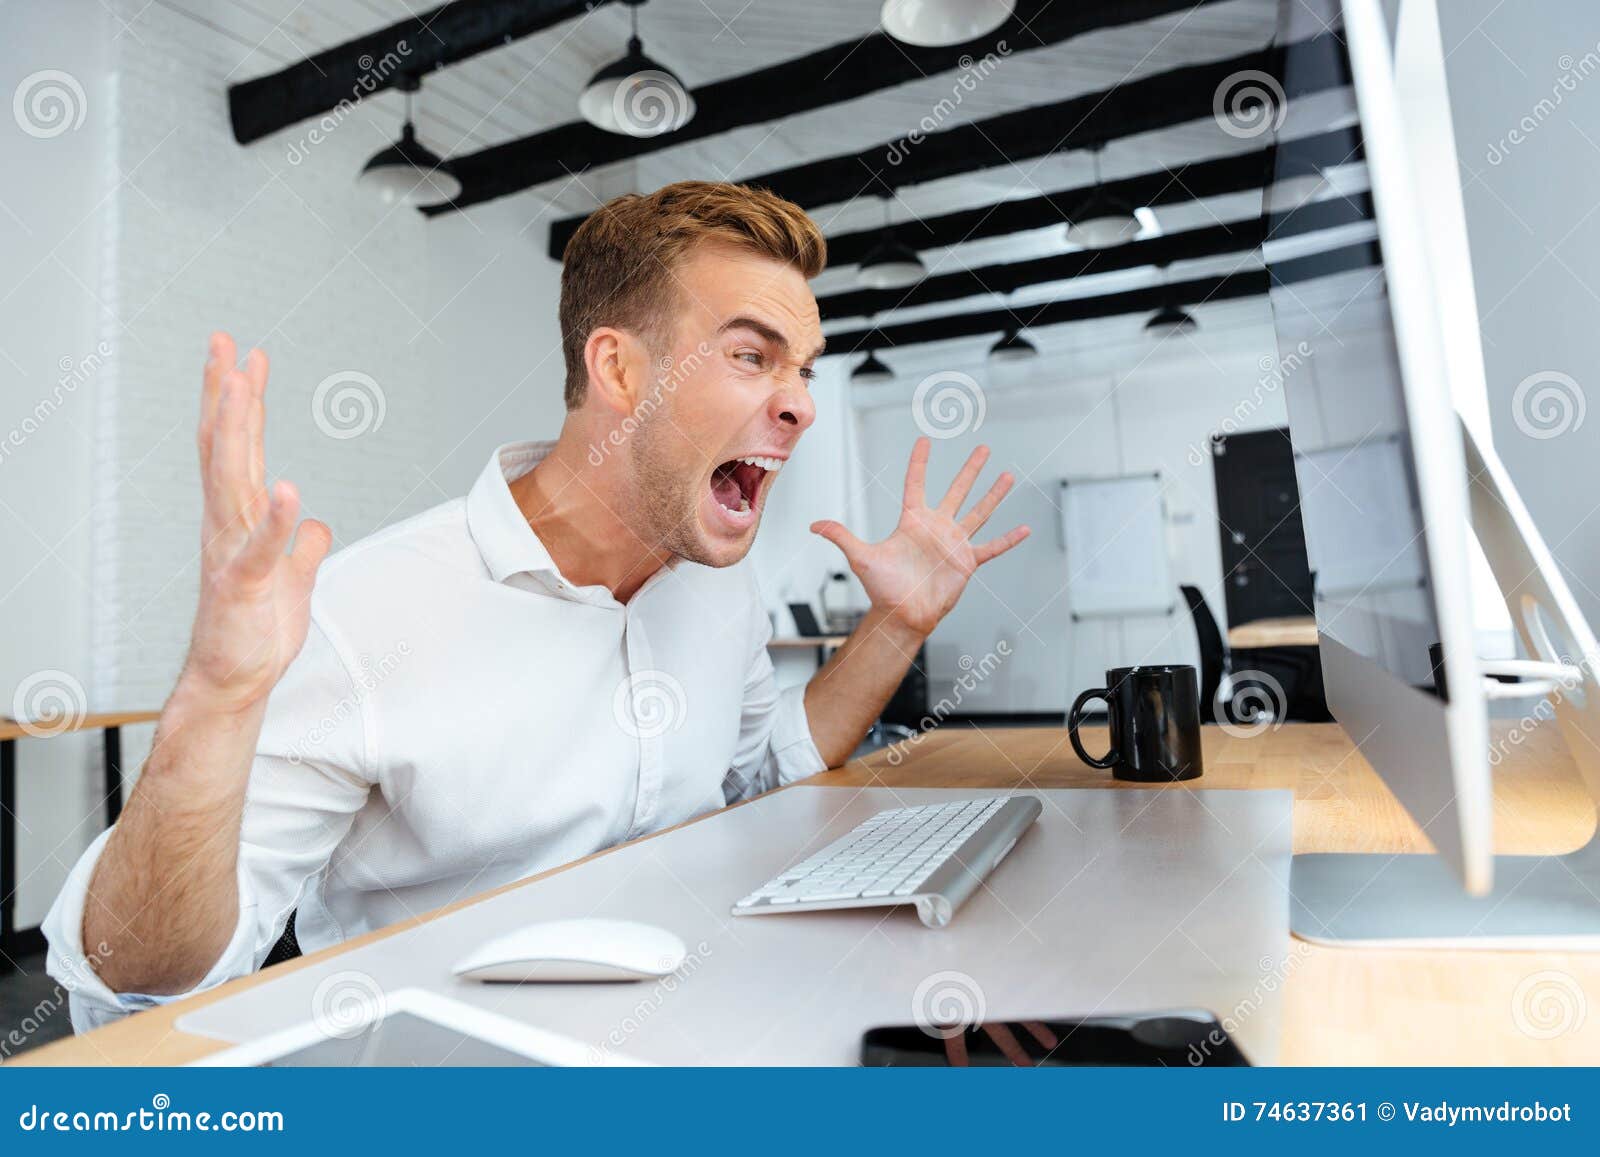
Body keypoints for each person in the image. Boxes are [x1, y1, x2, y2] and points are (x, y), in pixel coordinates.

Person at [43, 180, 1029, 1030]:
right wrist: (217, 696)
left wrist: (896, 625)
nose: (801, 402)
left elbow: (758, 782)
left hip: (710, 1022)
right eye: (750, 355)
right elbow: (134, 980)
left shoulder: (719, 580)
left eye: (802, 368)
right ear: (616, 368)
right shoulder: (365, 613)